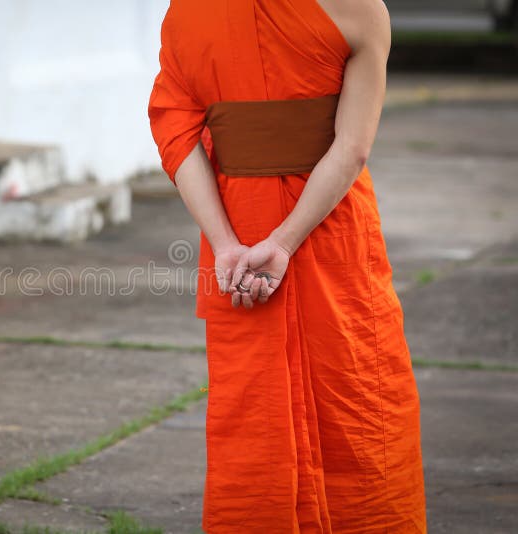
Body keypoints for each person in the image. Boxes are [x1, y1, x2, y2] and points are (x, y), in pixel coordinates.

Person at [147, 0, 427, 532]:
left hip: (239, 221)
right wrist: (285, 241)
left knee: (254, 410)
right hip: (330, 225)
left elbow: (174, 135)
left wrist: (225, 242)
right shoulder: (362, 10)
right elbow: (352, 148)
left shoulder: (189, 11)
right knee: (360, 395)